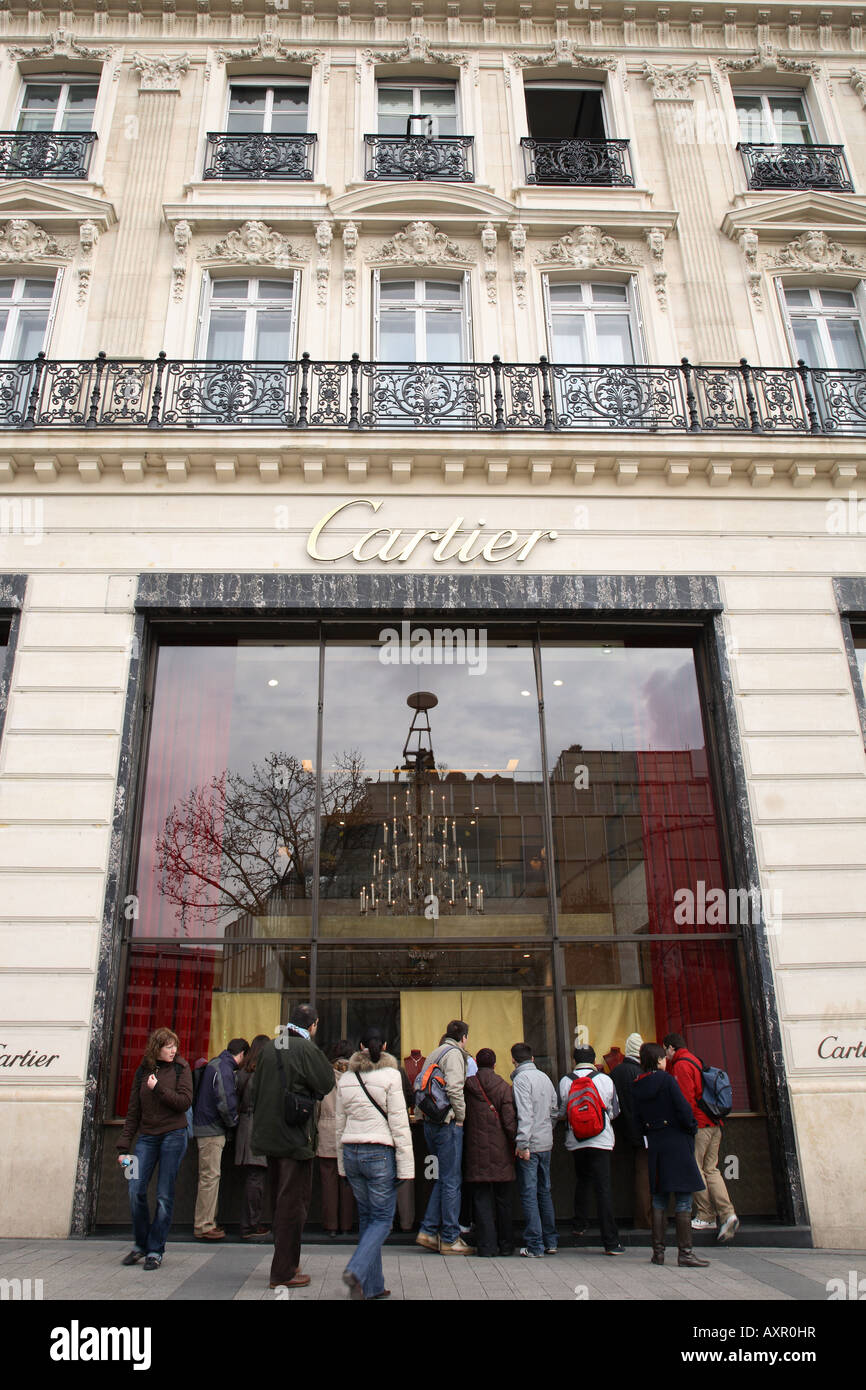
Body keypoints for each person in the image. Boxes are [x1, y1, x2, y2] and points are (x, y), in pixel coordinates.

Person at [252, 1004, 335, 1289]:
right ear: (313, 1025)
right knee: (293, 1205)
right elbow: (326, 1082)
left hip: (269, 1137)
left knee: (279, 1201)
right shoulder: (307, 1050)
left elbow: (254, 1090)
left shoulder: (270, 1047)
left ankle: (286, 1262)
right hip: (295, 1136)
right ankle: (283, 1272)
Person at [336, 1026, 414, 1299]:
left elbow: (339, 1125)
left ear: (360, 1047)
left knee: (369, 1219)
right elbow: (400, 1124)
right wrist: (406, 1168)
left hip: (351, 1151)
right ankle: (356, 1270)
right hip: (379, 1152)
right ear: (383, 1047)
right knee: (382, 1220)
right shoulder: (392, 1076)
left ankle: (373, 1286)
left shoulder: (345, 1079)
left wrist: (341, 1166)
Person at [116, 1026, 192, 1270]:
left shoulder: (182, 1068)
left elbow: (184, 1102)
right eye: (168, 1046)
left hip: (174, 1135)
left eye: (174, 1046)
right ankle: (140, 1244)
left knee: (163, 1195)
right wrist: (123, 1147)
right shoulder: (143, 1070)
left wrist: (158, 1088)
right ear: (156, 1048)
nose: (173, 1050)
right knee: (135, 1189)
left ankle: (155, 1250)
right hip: (146, 1138)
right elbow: (133, 1111)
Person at [633, 1042, 709, 1268]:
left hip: (655, 1142)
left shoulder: (637, 1085)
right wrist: (691, 1127)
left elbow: (637, 1117)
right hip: (676, 1139)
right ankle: (685, 1253)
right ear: (658, 1059)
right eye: (663, 1058)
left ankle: (658, 1252)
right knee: (683, 1198)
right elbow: (683, 1109)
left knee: (659, 1198)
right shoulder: (666, 1080)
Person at [664, 1032, 739, 1242]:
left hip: (699, 1125)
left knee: (695, 1168)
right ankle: (728, 1213)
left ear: (671, 1048)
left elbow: (685, 1100)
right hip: (714, 1123)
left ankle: (706, 1215)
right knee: (711, 1169)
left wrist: (685, 1125)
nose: (666, 1055)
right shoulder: (695, 1060)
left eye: (665, 1050)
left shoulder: (681, 1065)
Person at [415, 1019, 474, 1255]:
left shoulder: (434, 1053)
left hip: (430, 1122)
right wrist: (461, 1116)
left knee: (443, 1177)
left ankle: (428, 1231)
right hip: (447, 1123)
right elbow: (454, 1088)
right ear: (464, 1038)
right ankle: (450, 1237)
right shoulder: (454, 1054)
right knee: (451, 1180)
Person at [559, 1044, 624, 1255]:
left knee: (582, 1181)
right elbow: (615, 1111)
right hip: (601, 1139)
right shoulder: (605, 1080)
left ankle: (579, 1224)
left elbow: (562, 1111)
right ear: (593, 1058)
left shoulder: (565, 1081)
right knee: (603, 1188)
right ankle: (611, 1242)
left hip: (576, 1140)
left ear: (574, 1060)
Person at [192, 1036, 249, 1240]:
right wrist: (234, 1122)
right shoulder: (224, 1069)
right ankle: (204, 1225)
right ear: (242, 1054)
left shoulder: (216, 1064)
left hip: (206, 1126)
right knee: (210, 1177)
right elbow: (225, 1101)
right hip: (211, 1130)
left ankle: (208, 1221)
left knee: (209, 1176)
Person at [463, 1047, 516, 1257]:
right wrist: (515, 1142)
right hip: (500, 1149)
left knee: (481, 1198)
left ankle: (486, 1246)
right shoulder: (503, 1087)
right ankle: (506, 1244)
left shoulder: (468, 1086)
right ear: (494, 1064)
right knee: (503, 1200)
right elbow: (509, 1122)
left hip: (475, 1149)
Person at [511, 1042, 559, 1258]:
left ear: (513, 1060)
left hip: (530, 1144)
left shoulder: (520, 1080)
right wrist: (547, 1131)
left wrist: (522, 1144)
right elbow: (554, 1111)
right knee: (544, 1191)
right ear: (532, 1059)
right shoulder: (545, 1078)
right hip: (546, 1142)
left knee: (529, 1193)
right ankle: (551, 1241)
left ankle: (535, 1245)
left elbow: (525, 1113)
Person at [610, 1033, 652, 1230]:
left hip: (619, 1130)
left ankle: (628, 1214)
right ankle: (644, 1218)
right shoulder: (640, 1072)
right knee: (643, 1173)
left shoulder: (616, 1072)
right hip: (642, 1131)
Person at [234, 1034, 271, 1242]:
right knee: (256, 1178)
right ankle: (250, 1224)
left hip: (244, 1127)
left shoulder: (241, 1073)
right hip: (258, 1128)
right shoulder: (264, 1074)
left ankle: (249, 1222)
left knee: (252, 1177)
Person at [317, 1040, 356, 1238]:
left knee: (328, 1179)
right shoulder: (356, 1076)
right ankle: (347, 1225)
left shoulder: (323, 1074)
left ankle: (330, 1225)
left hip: (326, 1128)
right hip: (349, 1130)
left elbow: (317, 1104)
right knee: (347, 1180)